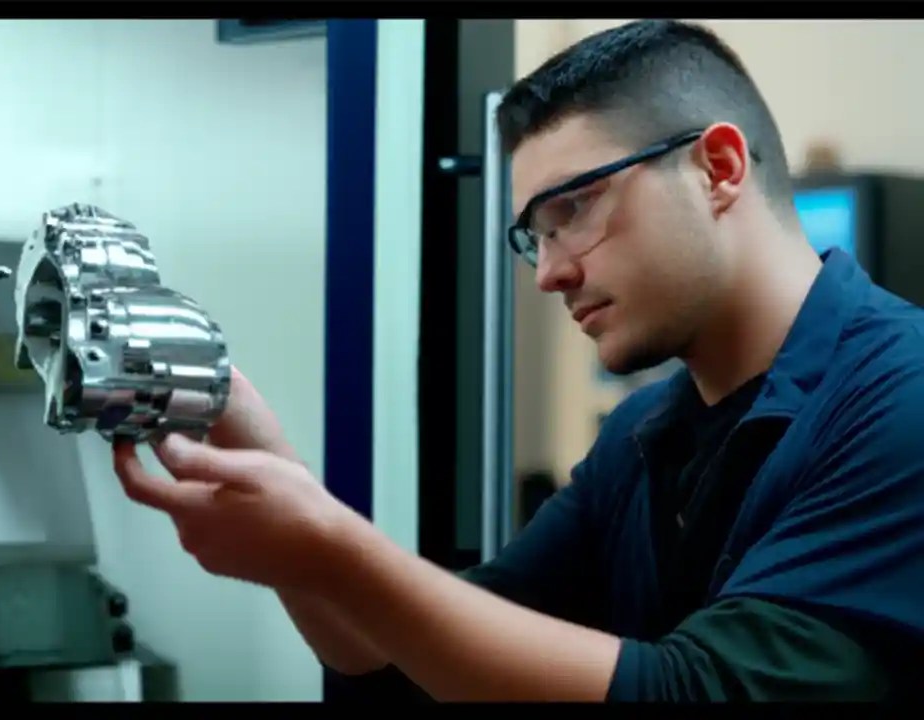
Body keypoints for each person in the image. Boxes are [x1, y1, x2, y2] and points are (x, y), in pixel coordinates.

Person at [111, 19, 924, 702]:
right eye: (534, 234)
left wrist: (325, 545)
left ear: (718, 168)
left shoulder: (899, 398)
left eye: (573, 209)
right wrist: (256, 449)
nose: (549, 273)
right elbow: (400, 657)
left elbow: (694, 691)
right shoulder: (643, 436)